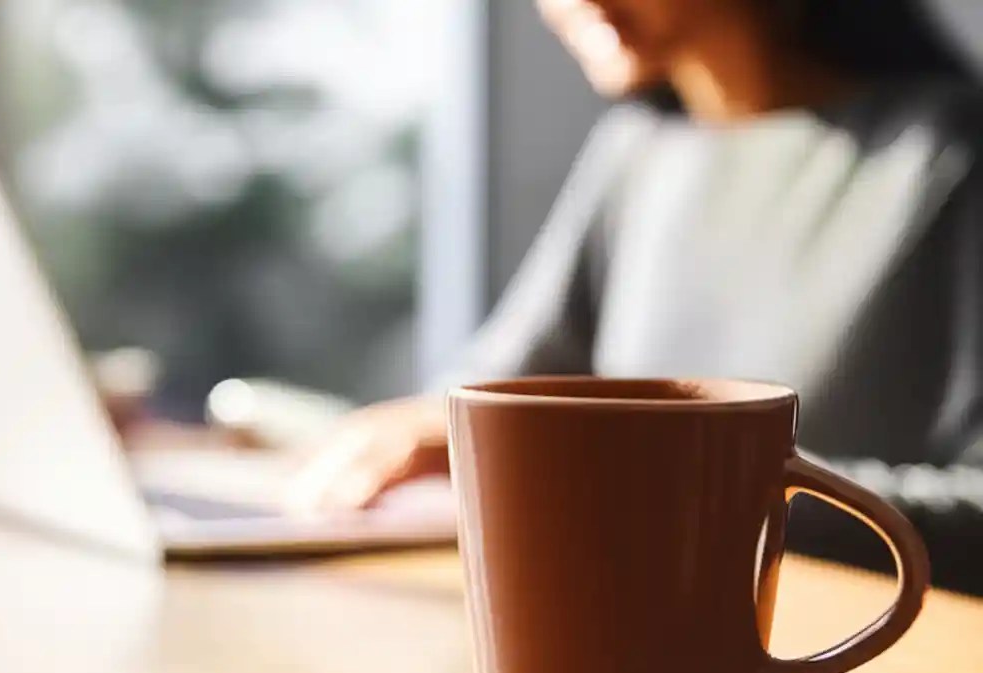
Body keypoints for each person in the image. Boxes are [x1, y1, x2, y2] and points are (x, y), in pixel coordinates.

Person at [288, 0, 983, 593]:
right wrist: (421, 435)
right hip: (631, 631)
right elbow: (487, 393)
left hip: (859, 656)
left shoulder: (951, 159)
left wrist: (671, 490)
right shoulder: (639, 150)